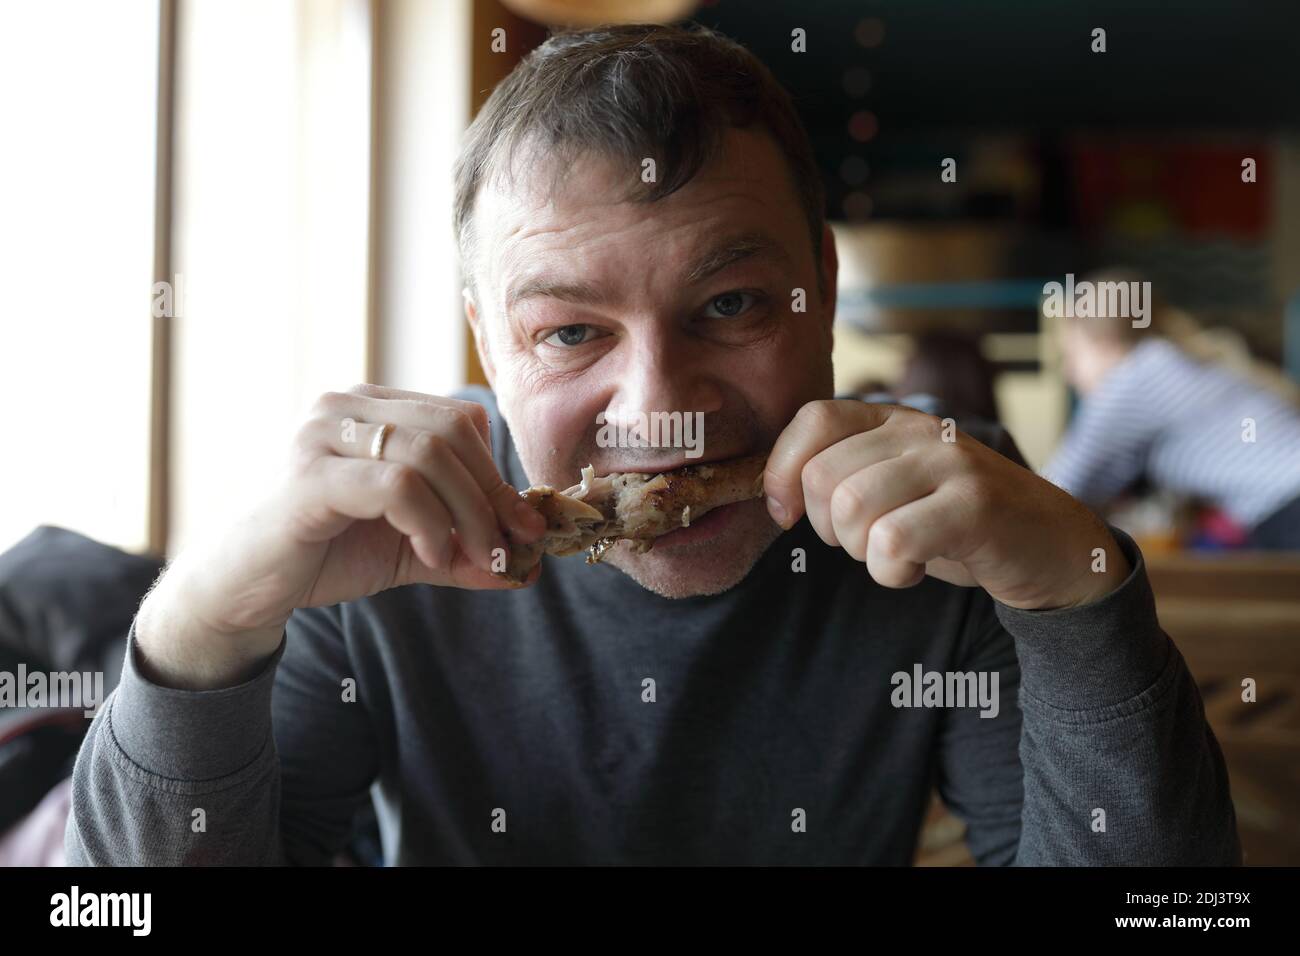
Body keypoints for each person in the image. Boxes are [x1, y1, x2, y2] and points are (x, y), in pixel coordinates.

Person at [65, 24, 1238, 866]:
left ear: (822, 289)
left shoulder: (946, 527)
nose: (658, 404)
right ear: (485, 336)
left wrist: (1083, 598)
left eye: (728, 305)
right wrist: (196, 630)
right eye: (570, 330)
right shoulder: (383, 534)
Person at [1044, 269, 1300, 550]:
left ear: (1104, 343)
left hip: (1288, 504)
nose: (1068, 373)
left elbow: (1054, 491)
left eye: (1071, 355)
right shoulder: (1167, 359)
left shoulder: (1133, 378)